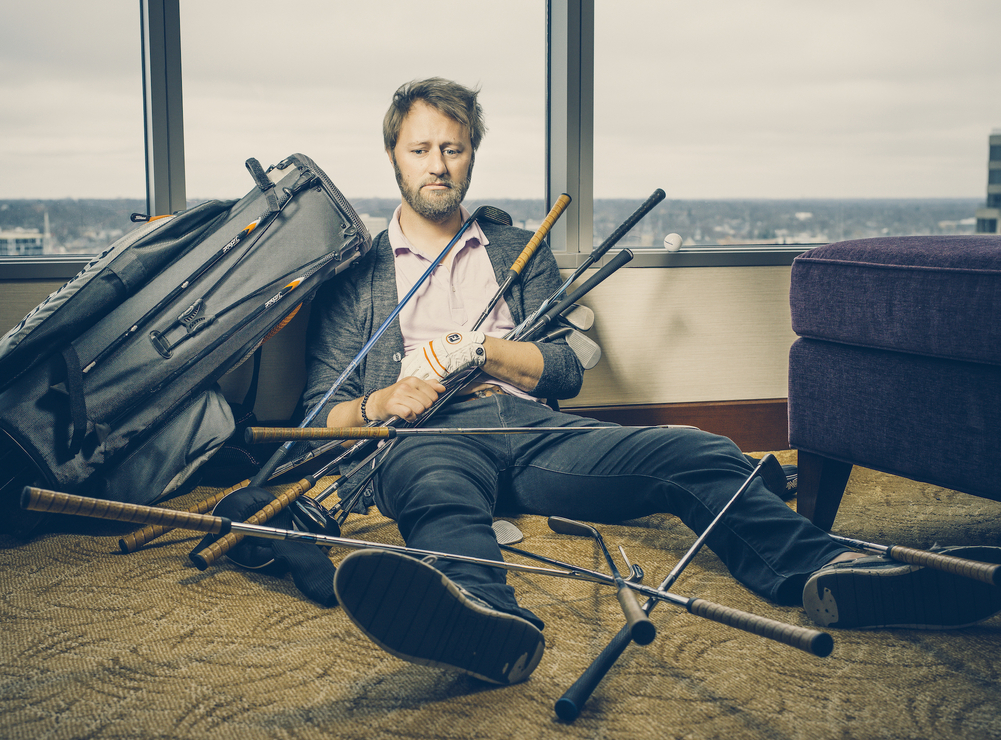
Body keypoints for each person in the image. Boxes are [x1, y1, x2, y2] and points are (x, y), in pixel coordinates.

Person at [302, 77, 1001, 685]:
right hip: (428, 437)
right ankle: (485, 622)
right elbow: (317, 419)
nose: (437, 165)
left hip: (535, 429)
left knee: (693, 453)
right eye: (419, 149)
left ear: (471, 155)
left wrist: (481, 351)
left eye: (451, 149)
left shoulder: (516, 249)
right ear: (393, 156)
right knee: (435, 492)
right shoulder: (359, 278)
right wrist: (382, 400)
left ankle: (829, 570)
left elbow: (568, 370)